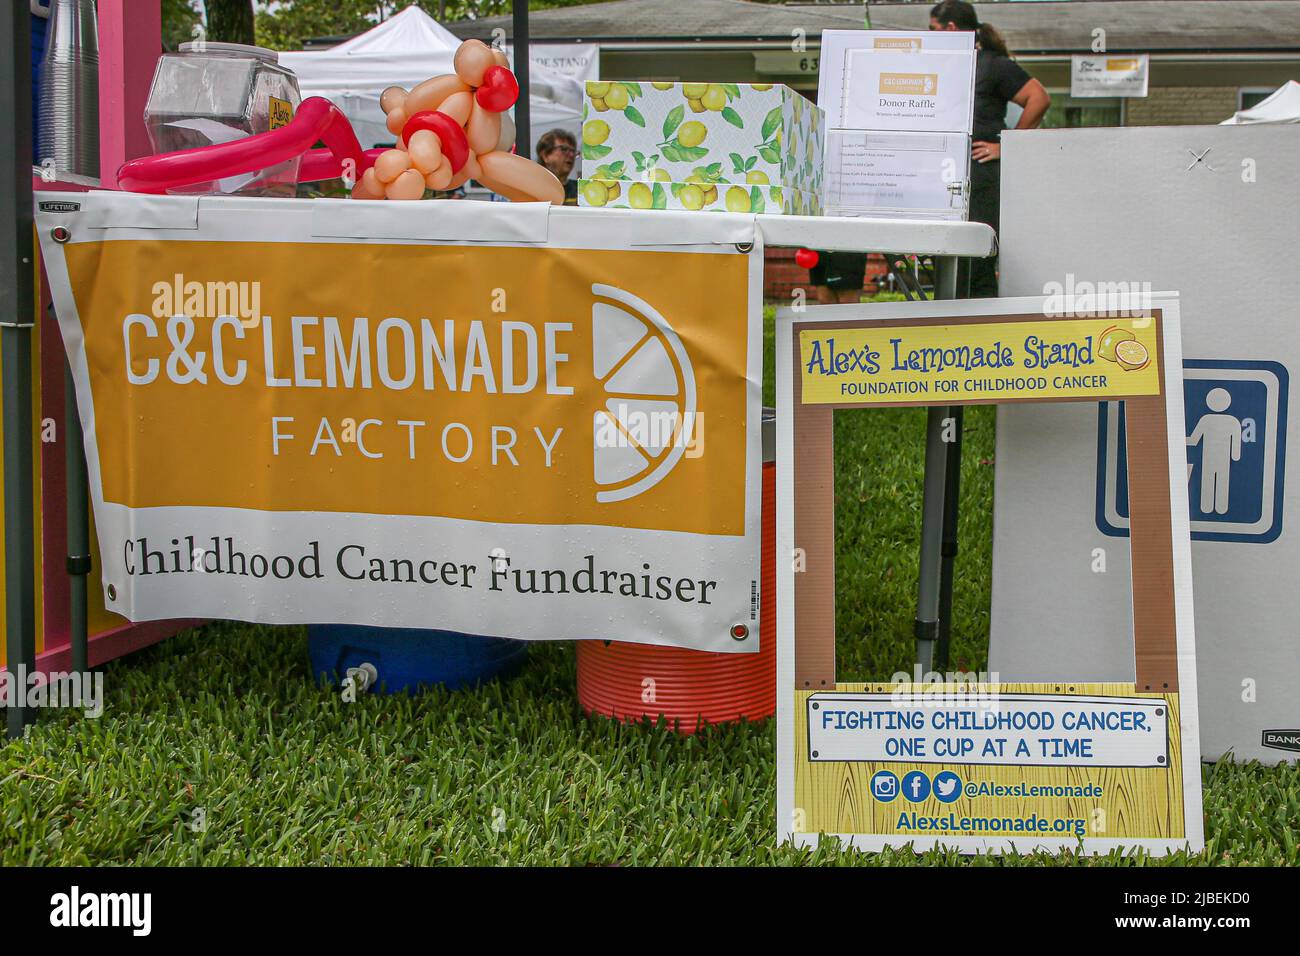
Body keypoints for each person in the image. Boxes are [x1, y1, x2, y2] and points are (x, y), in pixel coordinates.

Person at [930, 1, 1050, 297]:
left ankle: (981, 329)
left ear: (951, 29)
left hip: (981, 176)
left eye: (932, 29)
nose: (929, 36)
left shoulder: (993, 65)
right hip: (946, 176)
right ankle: (945, 326)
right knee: (944, 253)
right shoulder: (943, 68)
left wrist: (1007, 146)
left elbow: (1039, 97)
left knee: (977, 256)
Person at [535, 128, 579, 205]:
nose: (571, 155)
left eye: (573, 151)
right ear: (545, 155)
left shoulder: (580, 190)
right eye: (564, 149)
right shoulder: (531, 188)